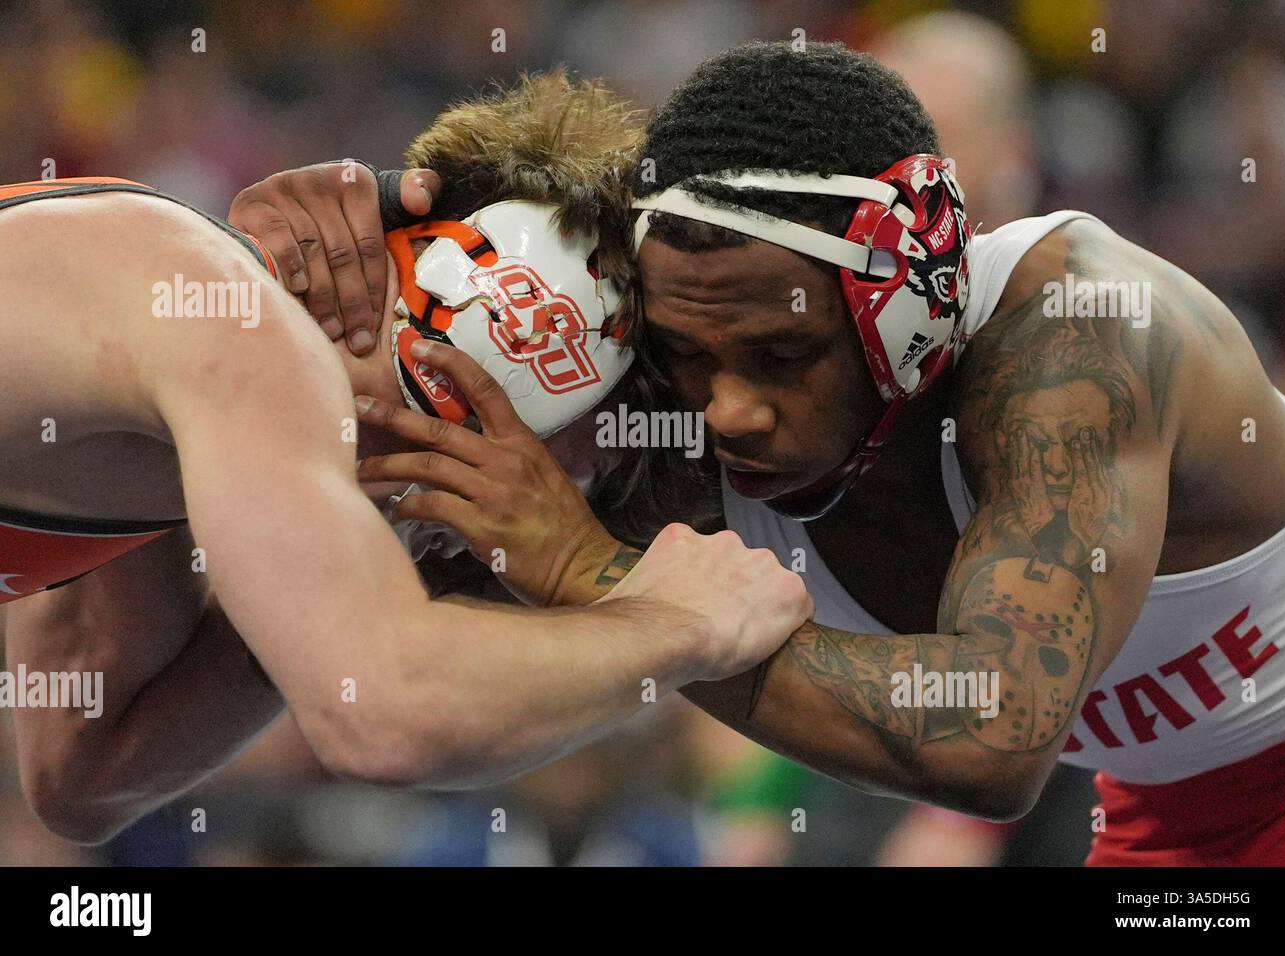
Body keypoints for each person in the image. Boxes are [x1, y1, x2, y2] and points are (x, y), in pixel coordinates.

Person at [264, 43, 1285, 865]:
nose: (728, 411)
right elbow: (381, 647)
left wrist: (597, 577)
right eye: (684, 353)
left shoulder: (1077, 329)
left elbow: (990, 731)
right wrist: (298, 288)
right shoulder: (661, 406)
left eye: (781, 352)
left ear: (909, 314)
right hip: (1165, 817)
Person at [0, 72, 812, 845]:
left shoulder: (184, 407)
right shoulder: (229, 326)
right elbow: (385, 718)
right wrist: (681, 623)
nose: (475, 545)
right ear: (505, 339)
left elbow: (84, 774)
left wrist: (370, 573)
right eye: (539, 478)